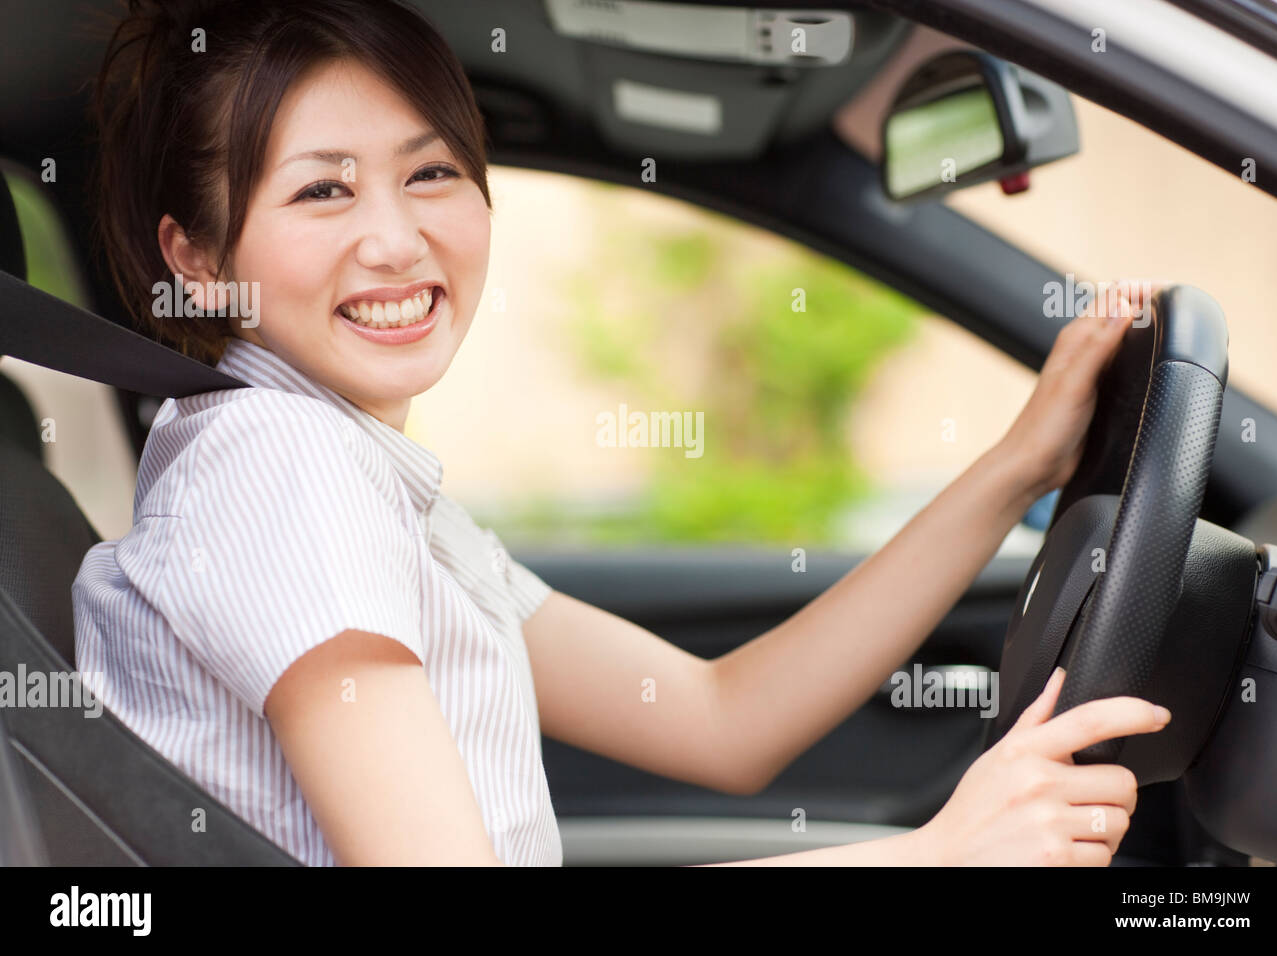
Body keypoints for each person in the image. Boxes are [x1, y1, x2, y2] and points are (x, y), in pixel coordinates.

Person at [72, 0, 1170, 866]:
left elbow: (721, 719)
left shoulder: (344, 469)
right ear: (198, 258)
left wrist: (1020, 460)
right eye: (323, 192)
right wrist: (938, 856)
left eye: (431, 171)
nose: (397, 240)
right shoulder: (277, 466)